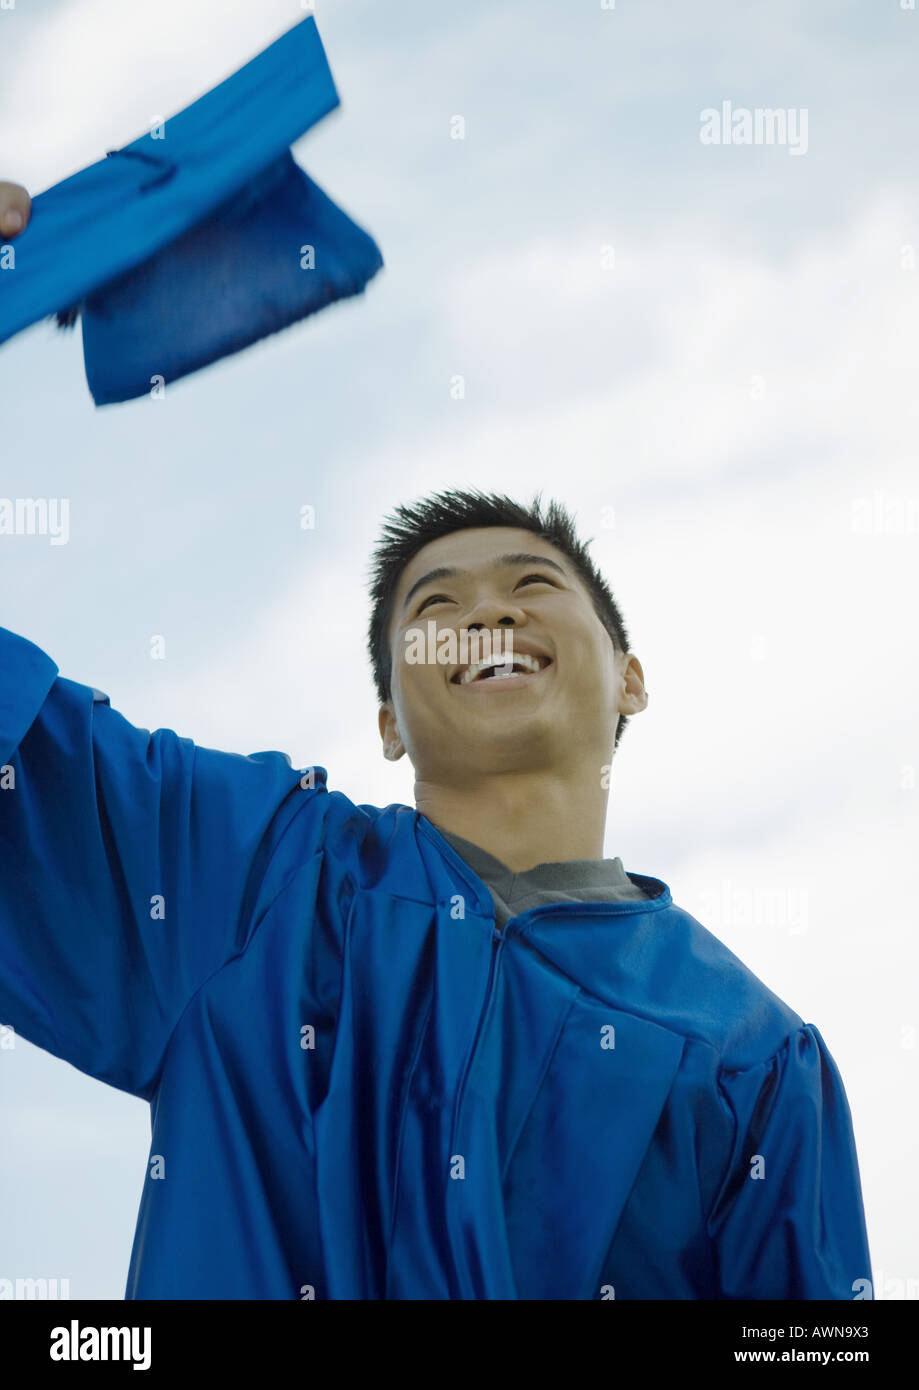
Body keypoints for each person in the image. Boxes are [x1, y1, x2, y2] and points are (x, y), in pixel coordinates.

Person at [0, 184, 873, 1300]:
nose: (488, 615)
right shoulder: (249, 885)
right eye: (439, 604)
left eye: (533, 585)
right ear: (386, 718)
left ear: (631, 678)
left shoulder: (756, 1058)